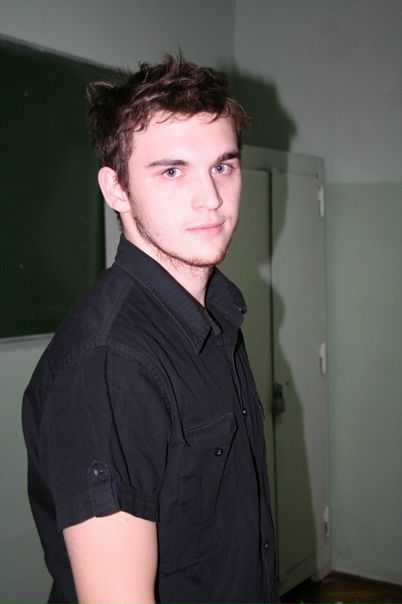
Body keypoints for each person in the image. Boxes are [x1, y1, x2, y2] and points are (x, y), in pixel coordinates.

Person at [22, 53, 277, 604]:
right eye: (172, 170)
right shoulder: (109, 365)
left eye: (223, 166)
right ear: (116, 189)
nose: (211, 197)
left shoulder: (218, 313)